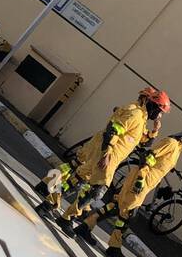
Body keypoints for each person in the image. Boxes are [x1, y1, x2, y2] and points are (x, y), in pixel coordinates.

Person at [74, 125, 182, 257]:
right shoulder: (171, 144)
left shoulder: (177, 149)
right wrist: (140, 179)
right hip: (139, 182)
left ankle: (87, 226)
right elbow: (149, 157)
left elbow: (161, 161)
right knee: (127, 213)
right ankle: (113, 246)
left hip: (144, 184)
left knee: (118, 206)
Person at [36, 86, 166, 214]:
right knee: (97, 187)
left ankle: (49, 200)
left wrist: (154, 131)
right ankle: (65, 212)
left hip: (105, 149)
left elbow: (144, 142)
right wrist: (107, 152)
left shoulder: (141, 118)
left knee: (78, 175)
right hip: (108, 151)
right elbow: (113, 130)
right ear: (151, 103)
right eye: (160, 111)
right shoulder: (135, 113)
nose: (159, 115)